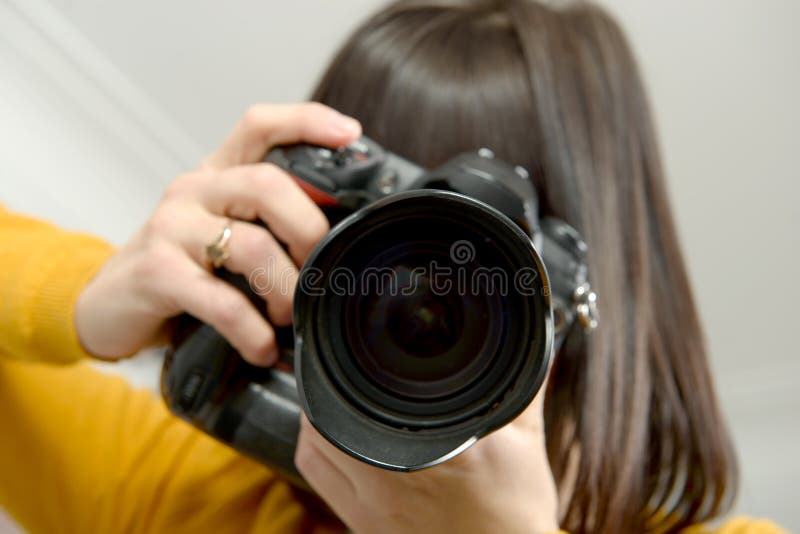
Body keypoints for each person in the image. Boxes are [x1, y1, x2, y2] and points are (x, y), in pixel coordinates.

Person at [0, 1, 788, 533]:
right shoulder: (176, 488)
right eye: (363, 240)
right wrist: (86, 295)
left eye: (490, 271)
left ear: (579, 304)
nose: (420, 306)